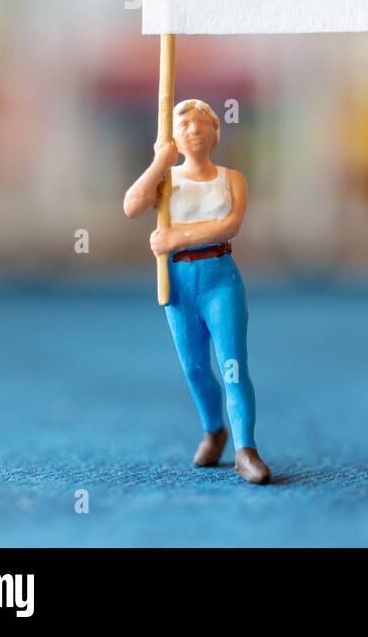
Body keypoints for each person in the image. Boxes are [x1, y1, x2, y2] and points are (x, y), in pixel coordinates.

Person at [123, 99, 271, 485]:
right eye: (185, 124)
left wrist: (178, 236)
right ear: (173, 135)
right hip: (178, 284)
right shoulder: (167, 180)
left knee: (233, 367)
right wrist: (158, 163)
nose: (194, 130)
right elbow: (131, 206)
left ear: (216, 134)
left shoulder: (232, 179)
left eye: (202, 123)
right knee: (194, 368)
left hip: (221, 279)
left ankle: (245, 449)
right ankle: (213, 430)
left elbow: (230, 225)